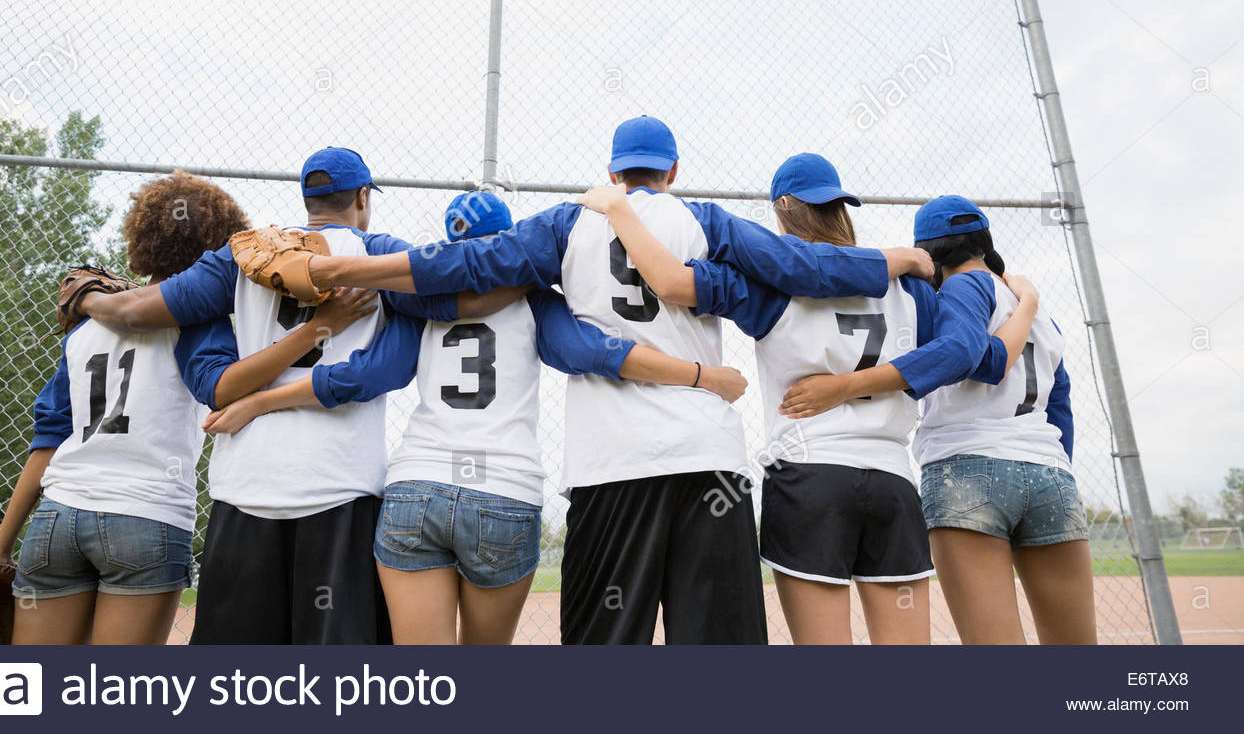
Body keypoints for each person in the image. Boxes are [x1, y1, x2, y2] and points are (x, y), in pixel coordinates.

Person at [228, 117, 935, 644]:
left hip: (610, 466)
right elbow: (803, 270)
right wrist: (895, 259)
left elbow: (468, 272)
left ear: (613, 170)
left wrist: (339, 270)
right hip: (708, 461)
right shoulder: (706, 219)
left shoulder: (570, 222)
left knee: (603, 653)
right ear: (674, 169)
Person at [205, 191, 748, 644]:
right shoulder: (537, 299)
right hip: (503, 490)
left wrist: (260, 400)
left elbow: (364, 377)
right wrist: (701, 374)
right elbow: (595, 352)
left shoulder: (418, 303)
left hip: (417, 488)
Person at [575, 154, 1036, 644]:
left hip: (810, 476)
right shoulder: (909, 287)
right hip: (892, 481)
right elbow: (970, 355)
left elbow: (672, 284)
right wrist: (1026, 303)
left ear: (783, 210)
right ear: (843, 208)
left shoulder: (769, 285)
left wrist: (622, 217)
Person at [71, 147, 514, 643]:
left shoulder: (241, 254)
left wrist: (88, 296)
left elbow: (137, 314)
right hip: (339, 486)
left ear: (307, 200)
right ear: (363, 198)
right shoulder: (384, 255)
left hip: (244, 486)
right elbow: (408, 349)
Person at [0, 172, 374, 644]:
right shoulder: (198, 321)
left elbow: (47, 439)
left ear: (142, 236)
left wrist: (1, 547)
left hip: (59, 516)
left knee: (35, 693)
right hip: (144, 516)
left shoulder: (85, 328)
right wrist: (317, 330)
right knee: (120, 702)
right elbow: (223, 387)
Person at [778, 195, 1095, 645]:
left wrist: (844, 386)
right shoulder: (1040, 316)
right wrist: (1027, 304)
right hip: (1050, 473)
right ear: (984, 242)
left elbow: (974, 357)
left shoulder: (963, 288)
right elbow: (1059, 407)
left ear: (929, 253)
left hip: (969, 468)